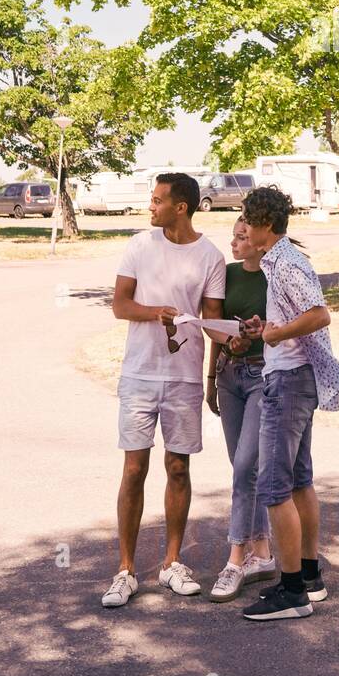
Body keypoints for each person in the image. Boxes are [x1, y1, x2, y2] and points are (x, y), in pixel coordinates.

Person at [101, 173, 226, 608]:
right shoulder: (139, 245)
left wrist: (215, 376)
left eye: (157, 201)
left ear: (181, 207)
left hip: (184, 379)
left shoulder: (210, 255)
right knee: (134, 469)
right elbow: (120, 305)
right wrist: (156, 313)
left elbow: (213, 324)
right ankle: (125, 571)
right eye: (150, 200)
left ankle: (172, 563)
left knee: (178, 469)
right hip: (139, 375)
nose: (150, 207)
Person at [237, 186, 339, 622]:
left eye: (247, 218)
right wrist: (266, 326)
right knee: (300, 480)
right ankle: (309, 576)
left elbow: (319, 314)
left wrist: (277, 335)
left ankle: (290, 594)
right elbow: (296, 315)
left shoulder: (285, 262)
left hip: (287, 382)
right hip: (295, 379)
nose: (243, 227)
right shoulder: (280, 262)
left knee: (273, 488)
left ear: (265, 223)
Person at [205, 217, 276, 601]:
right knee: (242, 469)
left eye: (242, 237)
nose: (234, 242)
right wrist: (211, 381)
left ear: (260, 241)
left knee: (247, 466)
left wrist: (261, 330)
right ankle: (262, 552)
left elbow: (288, 326)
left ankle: (234, 560)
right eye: (233, 235)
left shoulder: (274, 277)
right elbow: (213, 324)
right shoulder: (227, 273)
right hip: (228, 377)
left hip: (262, 377)